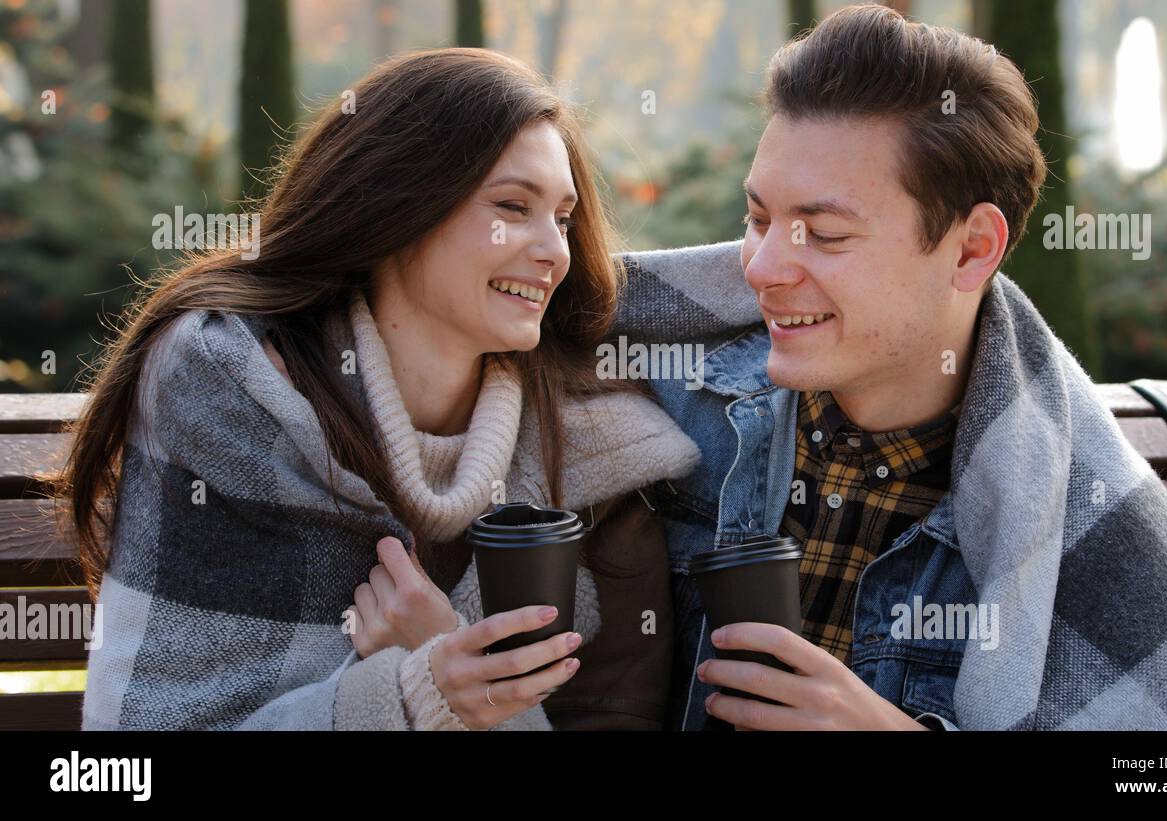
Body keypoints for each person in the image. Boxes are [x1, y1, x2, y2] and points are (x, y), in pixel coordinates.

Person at [608, 4, 1167, 730]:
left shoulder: (1075, 508)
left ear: (972, 249)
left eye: (827, 234)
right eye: (757, 219)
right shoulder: (669, 388)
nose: (763, 266)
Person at [62, 48, 699, 731]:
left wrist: (436, 661)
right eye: (513, 207)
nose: (556, 251)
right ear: (400, 206)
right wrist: (406, 697)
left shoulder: (596, 452)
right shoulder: (228, 392)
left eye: (564, 218)